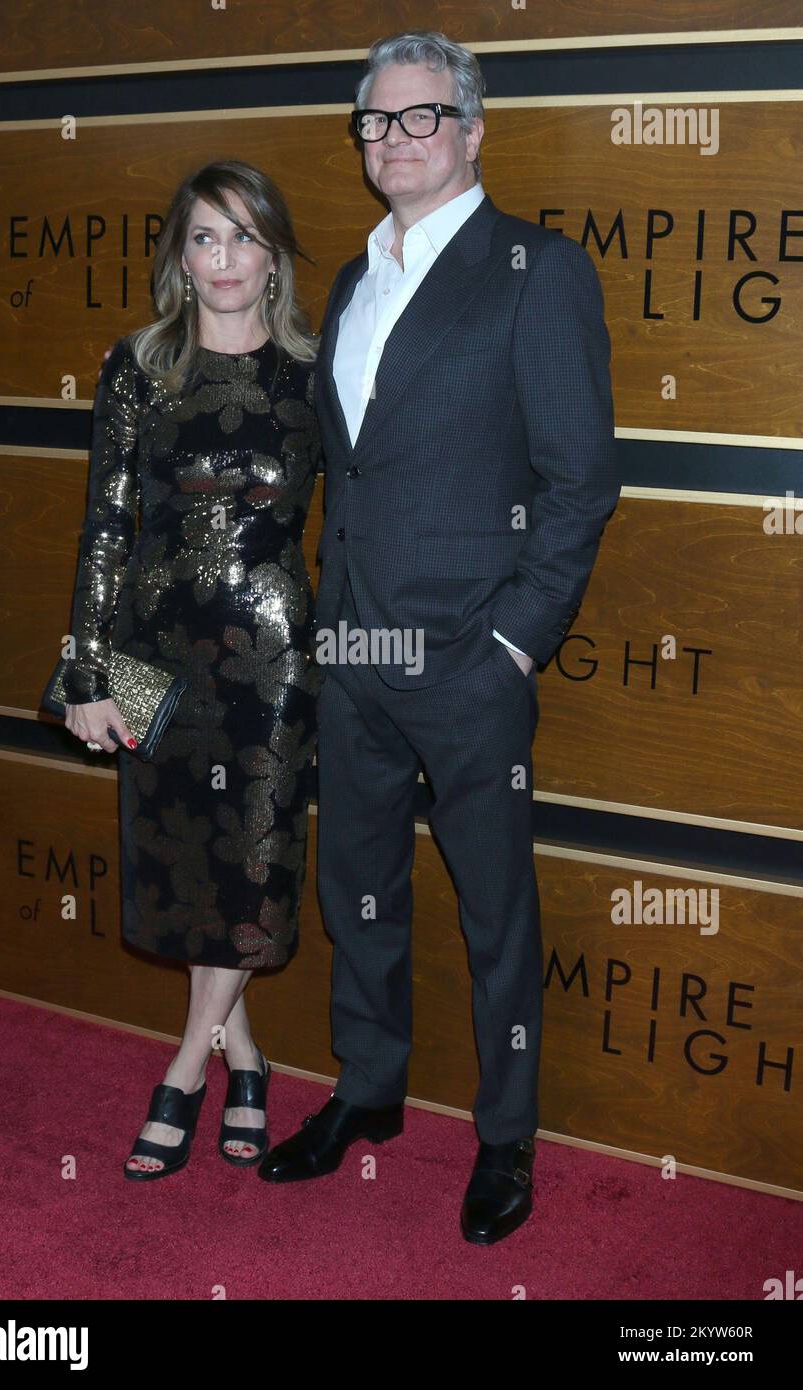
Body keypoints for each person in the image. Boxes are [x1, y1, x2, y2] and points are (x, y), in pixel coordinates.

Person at [258, 32, 620, 1246]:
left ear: (471, 128)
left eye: (418, 118)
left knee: (491, 910)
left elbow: (578, 483)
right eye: (372, 122)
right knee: (354, 881)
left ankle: (506, 1135)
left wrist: (512, 642)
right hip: (353, 649)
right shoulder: (355, 282)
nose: (391, 140)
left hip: (468, 657)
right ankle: (367, 1091)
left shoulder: (535, 269)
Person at [61, 160, 322, 1179]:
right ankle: (245, 1058)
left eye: (245, 237)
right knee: (179, 867)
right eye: (203, 237)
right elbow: (102, 530)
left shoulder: (313, 371)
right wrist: (85, 673)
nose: (223, 259)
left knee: (246, 871)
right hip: (149, 653)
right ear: (178, 253)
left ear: (273, 257)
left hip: (275, 664)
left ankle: (182, 1069)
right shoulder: (138, 365)